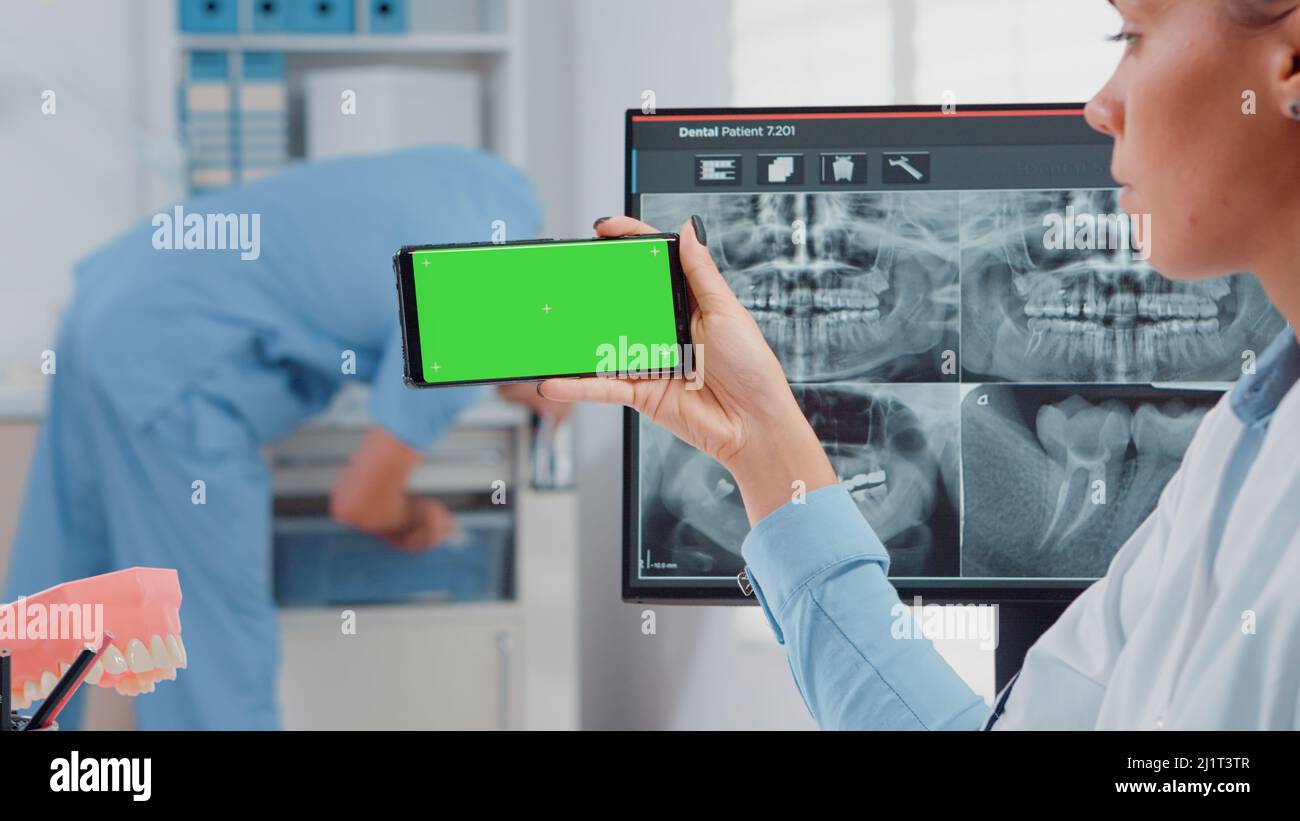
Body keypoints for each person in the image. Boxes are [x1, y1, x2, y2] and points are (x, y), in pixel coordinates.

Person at [542, 0, 1300, 729]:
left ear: (1292, 65)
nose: (1101, 106)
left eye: (1129, 37)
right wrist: (761, 441)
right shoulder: (1239, 449)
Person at [3, 145, 565, 729]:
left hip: (113, 294)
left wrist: (514, 369)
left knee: (60, 578)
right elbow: (360, 503)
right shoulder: (471, 310)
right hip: (174, 360)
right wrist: (418, 520)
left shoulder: (496, 191)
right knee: (209, 645)